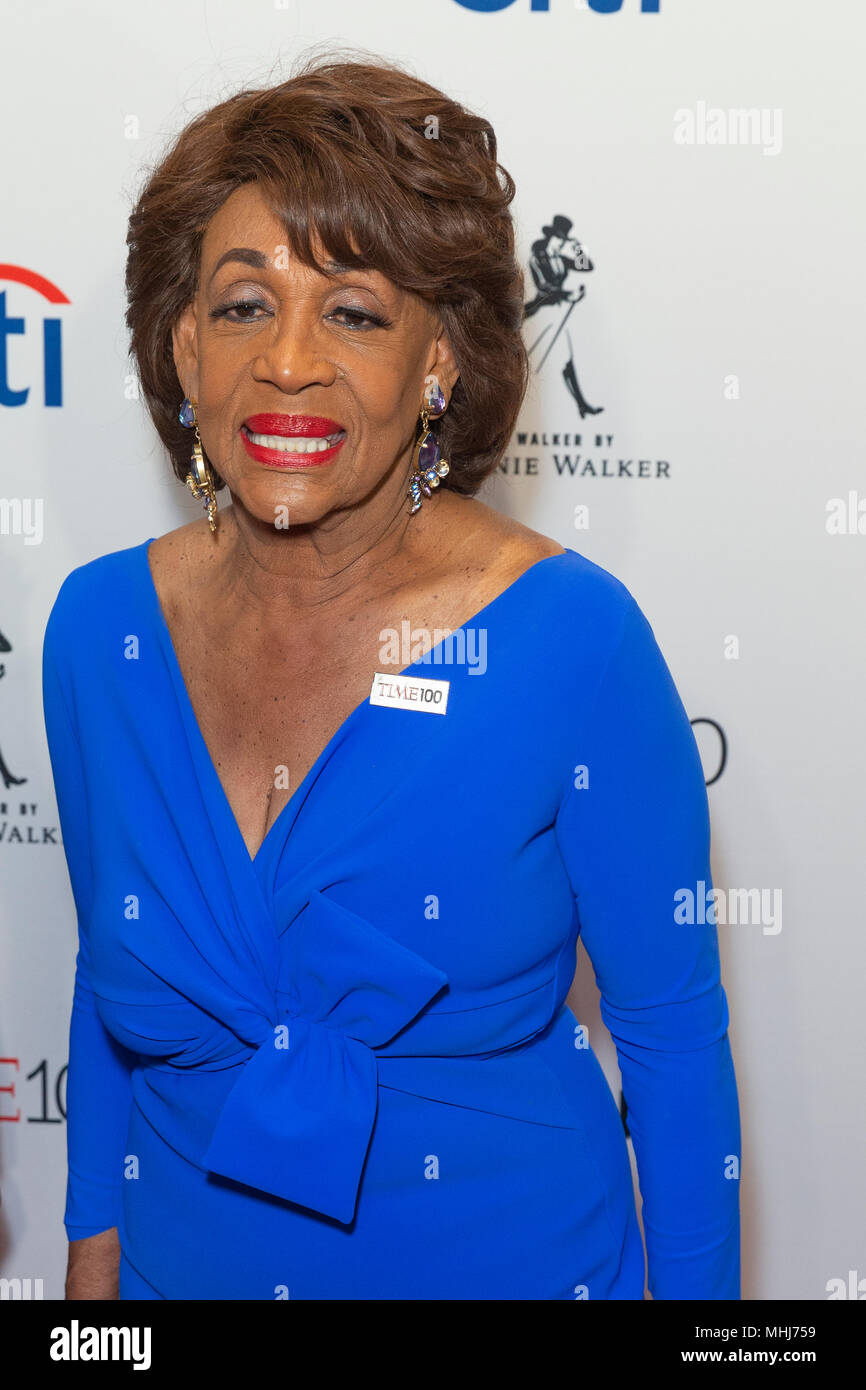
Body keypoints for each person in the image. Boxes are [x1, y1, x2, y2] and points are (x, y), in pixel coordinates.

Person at [42, 55, 740, 1301]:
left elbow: (674, 1048)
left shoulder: (568, 640)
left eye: (354, 312)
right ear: (184, 344)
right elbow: (108, 980)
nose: (289, 363)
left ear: (438, 365)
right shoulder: (101, 631)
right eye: (245, 305)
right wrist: (92, 1266)